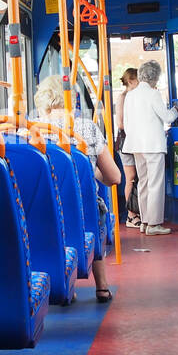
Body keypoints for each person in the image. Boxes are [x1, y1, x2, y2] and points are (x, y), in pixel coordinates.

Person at [34, 77, 121, 302]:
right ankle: (101, 286)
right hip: (81, 210)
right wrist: (89, 172)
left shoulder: (29, 130)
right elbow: (114, 177)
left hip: (41, 209)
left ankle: (63, 284)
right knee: (94, 211)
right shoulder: (85, 128)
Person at [122, 60, 177, 235]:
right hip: (153, 145)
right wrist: (176, 110)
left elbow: (127, 122)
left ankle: (145, 221)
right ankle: (154, 224)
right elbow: (167, 117)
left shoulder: (130, 95)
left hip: (136, 145)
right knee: (155, 184)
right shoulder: (153, 94)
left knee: (143, 183)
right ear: (155, 77)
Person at [115, 67, 140, 227]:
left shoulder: (136, 97)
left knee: (139, 178)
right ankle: (131, 215)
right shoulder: (123, 97)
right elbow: (120, 124)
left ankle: (138, 211)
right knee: (130, 178)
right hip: (126, 142)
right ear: (131, 81)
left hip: (136, 141)